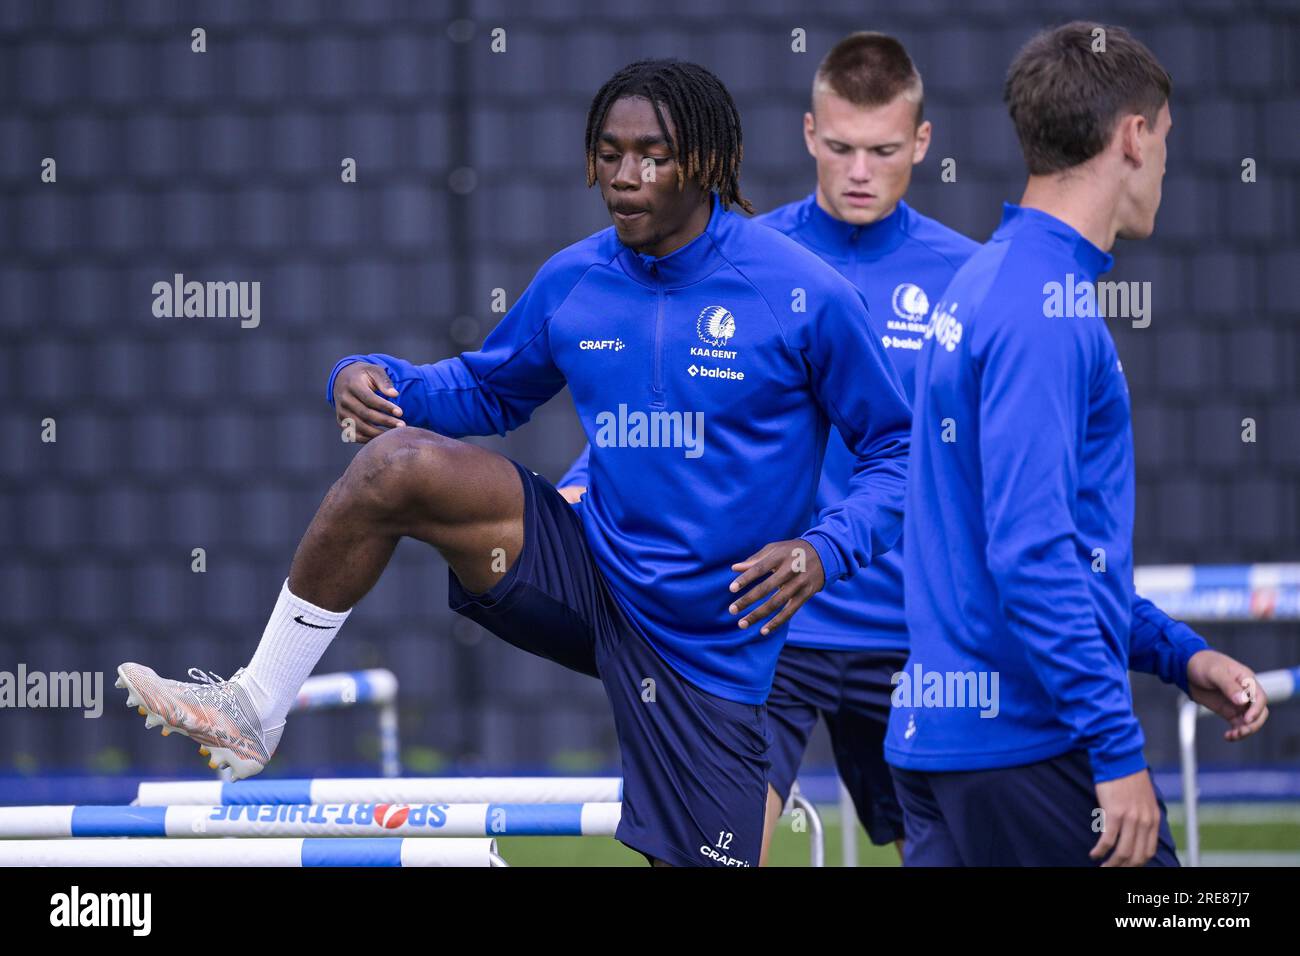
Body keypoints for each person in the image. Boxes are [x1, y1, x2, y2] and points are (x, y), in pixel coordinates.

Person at [115, 59, 913, 868]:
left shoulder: (801, 293)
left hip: (714, 638)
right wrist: (371, 378)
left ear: (708, 162)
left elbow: (898, 449)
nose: (624, 177)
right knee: (396, 465)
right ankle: (257, 705)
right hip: (591, 574)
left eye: (653, 155)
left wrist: (825, 548)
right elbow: (487, 390)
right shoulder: (576, 278)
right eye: (609, 153)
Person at [559, 32, 976, 864]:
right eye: (843, 147)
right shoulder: (744, 255)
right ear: (810, 135)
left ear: (921, 145)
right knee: (710, 853)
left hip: (915, 635)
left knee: (954, 857)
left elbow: (960, 460)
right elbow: (657, 402)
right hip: (768, 621)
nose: (861, 170)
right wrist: (580, 480)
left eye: (884, 150)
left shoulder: (966, 277)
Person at [884, 21, 1270, 867]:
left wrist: (1179, 655)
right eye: (1165, 140)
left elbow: (1021, 553)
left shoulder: (981, 281)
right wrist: (1115, 744)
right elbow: (1032, 554)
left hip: (941, 747)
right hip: (1033, 747)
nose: (1164, 164)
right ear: (1134, 137)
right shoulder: (1044, 310)